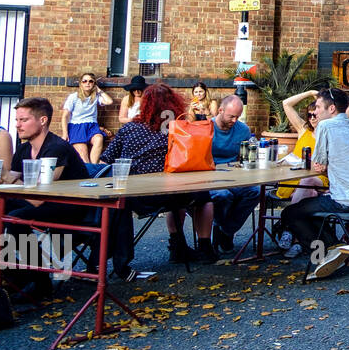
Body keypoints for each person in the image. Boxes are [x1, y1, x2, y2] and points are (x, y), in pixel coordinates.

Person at [0, 98, 92, 297]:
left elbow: (39, 196)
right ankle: (15, 276)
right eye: (17, 119)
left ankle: (41, 282)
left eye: (23, 120)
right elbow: (11, 179)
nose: (17, 125)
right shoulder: (25, 149)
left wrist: (9, 181)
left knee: (17, 218)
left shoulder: (56, 148)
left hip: (69, 206)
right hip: (37, 202)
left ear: (42, 120)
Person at [104, 84, 214, 270]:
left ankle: (177, 246)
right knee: (203, 197)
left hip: (134, 197)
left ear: (144, 105)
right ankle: (204, 248)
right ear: (173, 104)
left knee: (178, 194)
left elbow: (106, 159)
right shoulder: (176, 130)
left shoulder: (129, 128)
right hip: (168, 195)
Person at [279, 88, 349, 277]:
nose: (314, 112)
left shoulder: (325, 127)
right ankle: (334, 247)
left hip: (346, 201)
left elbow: (319, 165)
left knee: (290, 213)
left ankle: (323, 255)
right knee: (310, 207)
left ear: (331, 108)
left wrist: (327, 166)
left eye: (317, 107)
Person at [206, 95, 259, 255]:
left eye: (238, 116)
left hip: (235, 175)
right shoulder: (206, 128)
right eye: (231, 116)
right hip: (211, 175)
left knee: (255, 191)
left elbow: (246, 157)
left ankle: (225, 231)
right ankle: (221, 231)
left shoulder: (243, 130)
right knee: (223, 195)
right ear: (220, 111)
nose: (235, 120)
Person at [274, 89, 328, 205]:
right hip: (295, 177)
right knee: (311, 194)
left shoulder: (329, 134)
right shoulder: (303, 130)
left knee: (308, 185)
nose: (312, 118)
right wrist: (309, 93)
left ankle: (289, 219)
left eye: (315, 115)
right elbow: (286, 104)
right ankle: (299, 220)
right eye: (309, 115)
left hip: (317, 178)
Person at [61, 72, 113, 164]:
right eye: (84, 81)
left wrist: (99, 90)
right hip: (77, 127)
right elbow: (65, 116)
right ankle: (90, 169)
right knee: (84, 158)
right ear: (80, 83)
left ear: (94, 84)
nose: (87, 83)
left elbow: (109, 101)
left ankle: (94, 166)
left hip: (92, 126)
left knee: (99, 138)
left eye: (90, 81)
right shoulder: (73, 97)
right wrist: (65, 133)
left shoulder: (96, 96)